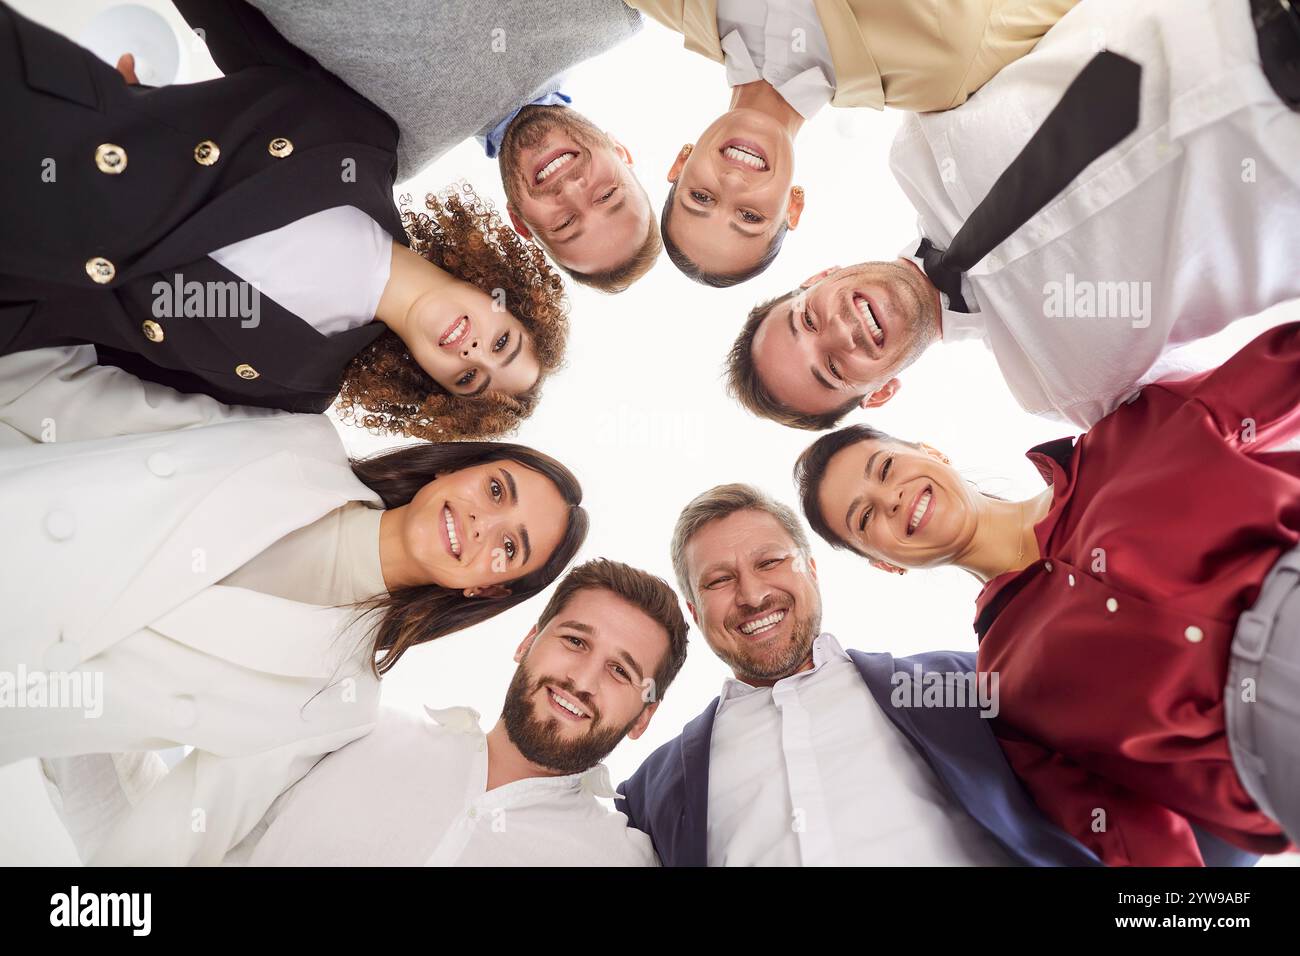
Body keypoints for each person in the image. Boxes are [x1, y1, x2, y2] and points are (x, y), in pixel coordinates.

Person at [0, 348, 588, 865]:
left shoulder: (335, 706)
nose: (484, 524)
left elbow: (165, 846)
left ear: (487, 589)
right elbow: (74, 401)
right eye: (495, 489)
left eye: (510, 547)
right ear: (458, 465)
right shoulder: (296, 441)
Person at [792, 322, 1300, 865]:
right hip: (1269, 752)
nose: (889, 499)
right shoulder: (1005, 695)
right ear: (885, 564)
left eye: (885, 468)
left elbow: (1277, 373)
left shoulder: (1124, 438)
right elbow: (1128, 842)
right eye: (865, 517)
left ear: (932, 452)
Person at [0, 2, 568, 437]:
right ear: (502, 290)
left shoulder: (294, 387)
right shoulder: (361, 138)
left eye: (470, 380)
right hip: (39, 119)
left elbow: (108, 373)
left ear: (433, 383)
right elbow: (227, 18)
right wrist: (145, 119)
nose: (474, 354)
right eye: (503, 342)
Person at [727, 0, 1300, 429]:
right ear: (879, 394)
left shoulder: (920, 143)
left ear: (818, 278)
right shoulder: (1068, 390)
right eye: (831, 370)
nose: (839, 332)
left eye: (805, 320)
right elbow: (1245, 404)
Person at [619, 484, 1181, 866]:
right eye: (718, 580)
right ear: (695, 611)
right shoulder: (646, 795)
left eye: (770, 562)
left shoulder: (967, 686)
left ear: (812, 571)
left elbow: (1157, 766)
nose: (752, 593)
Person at [41, 559, 689, 867]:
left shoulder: (620, 861)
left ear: (642, 716)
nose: (582, 676)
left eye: (621, 671)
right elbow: (147, 830)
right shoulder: (351, 727)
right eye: (575, 641)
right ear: (527, 643)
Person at [634, 0, 1076, 286]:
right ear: (793, 206)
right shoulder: (942, 69)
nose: (732, 183)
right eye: (749, 215)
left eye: (701, 196)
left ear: (681, 162)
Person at [246, 0, 662, 292]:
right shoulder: (614, 14)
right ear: (621, 153)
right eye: (607, 195)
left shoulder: (389, 150)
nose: (571, 190)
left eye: (565, 224)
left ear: (519, 220)